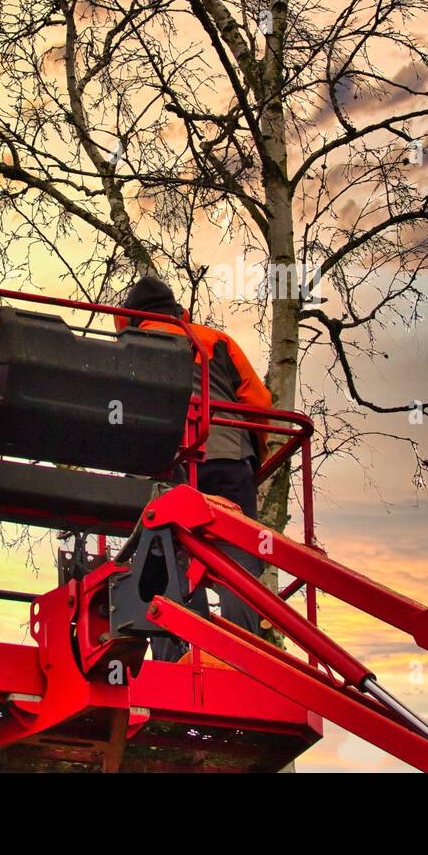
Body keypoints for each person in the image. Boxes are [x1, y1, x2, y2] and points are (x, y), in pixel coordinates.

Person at [114, 276, 271, 661]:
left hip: (162, 472)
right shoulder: (216, 341)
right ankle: (243, 660)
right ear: (177, 311)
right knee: (239, 562)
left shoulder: (125, 349)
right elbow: (260, 404)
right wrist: (252, 454)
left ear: (130, 317)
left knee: (163, 562)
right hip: (227, 462)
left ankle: (177, 662)